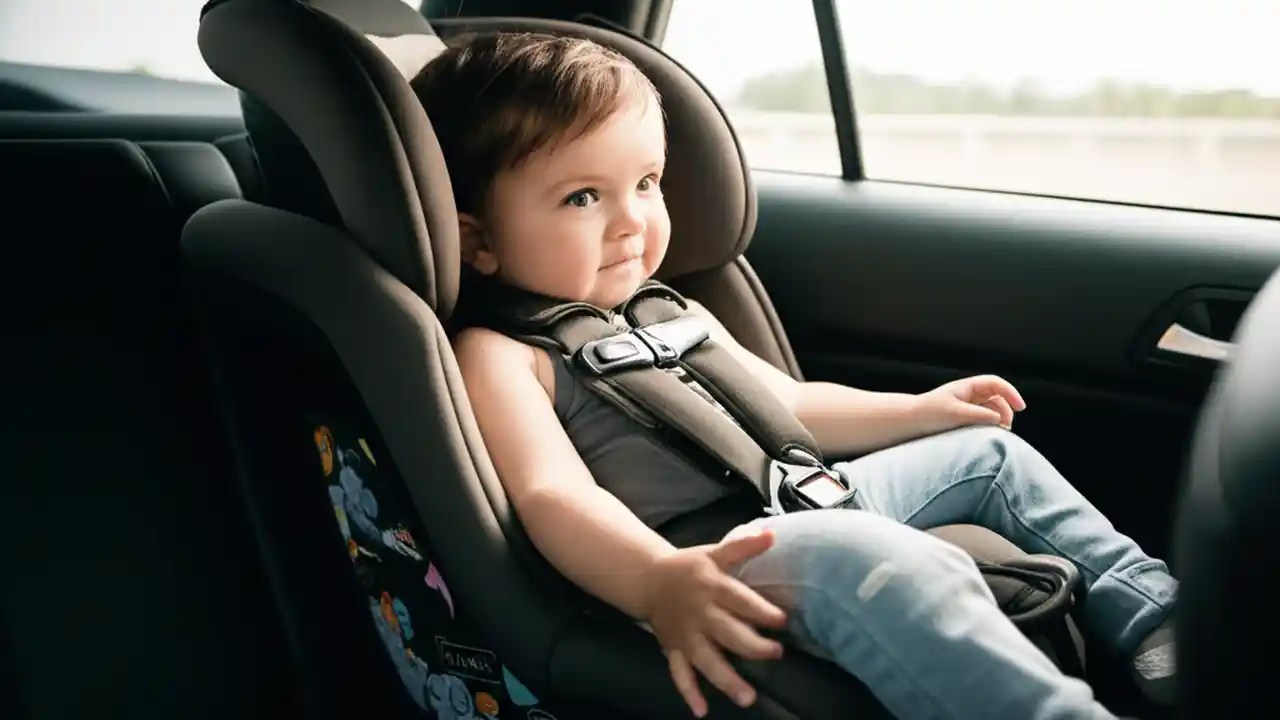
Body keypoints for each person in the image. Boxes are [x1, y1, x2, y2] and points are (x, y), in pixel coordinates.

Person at [409, 32, 1177, 720]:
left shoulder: (669, 311)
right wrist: (658, 580)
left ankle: (1159, 622)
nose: (632, 221)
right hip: (714, 556)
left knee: (991, 457)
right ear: (478, 242)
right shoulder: (502, 353)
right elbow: (553, 495)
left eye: (646, 183)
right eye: (583, 197)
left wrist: (920, 409)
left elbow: (792, 403)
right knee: (868, 563)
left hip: (810, 500)